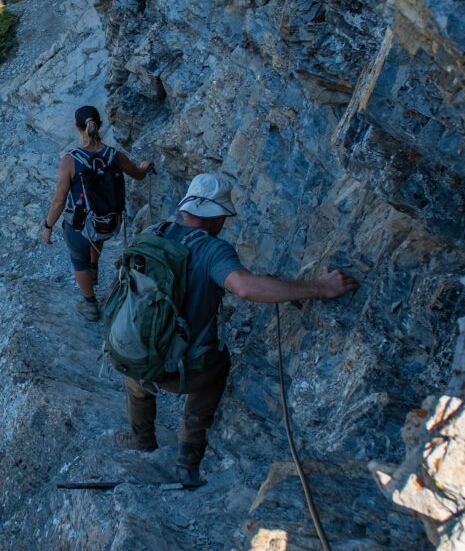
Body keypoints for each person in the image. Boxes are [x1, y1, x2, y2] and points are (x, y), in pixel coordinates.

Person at [117, 172, 359, 488]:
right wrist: (319, 288)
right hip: (184, 373)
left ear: (187, 207)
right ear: (217, 216)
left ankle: (142, 438)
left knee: (139, 355)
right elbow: (244, 288)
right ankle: (187, 462)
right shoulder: (213, 250)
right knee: (217, 365)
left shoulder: (153, 234)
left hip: (135, 358)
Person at [42, 105, 154, 320]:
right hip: (110, 224)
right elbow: (139, 174)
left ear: (77, 127)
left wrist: (48, 227)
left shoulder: (70, 160)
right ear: (99, 124)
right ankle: (94, 268)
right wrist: (145, 165)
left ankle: (90, 304)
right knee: (97, 220)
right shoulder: (115, 155)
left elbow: (59, 200)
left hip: (81, 225)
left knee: (78, 260)